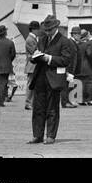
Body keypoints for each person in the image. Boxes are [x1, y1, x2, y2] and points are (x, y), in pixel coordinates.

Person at [28, 14, 76, 145]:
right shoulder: (42, 39)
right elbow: (36, 54)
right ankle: (37, 135)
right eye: (46, 30)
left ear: (56, 27)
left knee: (52, 108)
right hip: (40, 77)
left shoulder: (64, 41)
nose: (47, 32)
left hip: (54, 79)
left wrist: (48, 58)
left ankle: (50, 135)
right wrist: (35, 57)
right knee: (38, 108)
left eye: (50, 30)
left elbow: (66, 60)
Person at [0, 25, 17, 107]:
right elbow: (13, 55)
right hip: (6, 67)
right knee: (3, 85)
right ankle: (1, 102)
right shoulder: (10, 43)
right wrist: (8, 61)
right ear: (5, 32)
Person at [23, 21, 40, 110]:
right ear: (33, 29)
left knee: (33, 84)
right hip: (32, 65)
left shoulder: (33, 38)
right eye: (37, 29)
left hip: (33, 65)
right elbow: (34, 51)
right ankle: (28, 102)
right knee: (31, 85)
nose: (38, 31)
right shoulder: (30, 39)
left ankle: (31, 102)